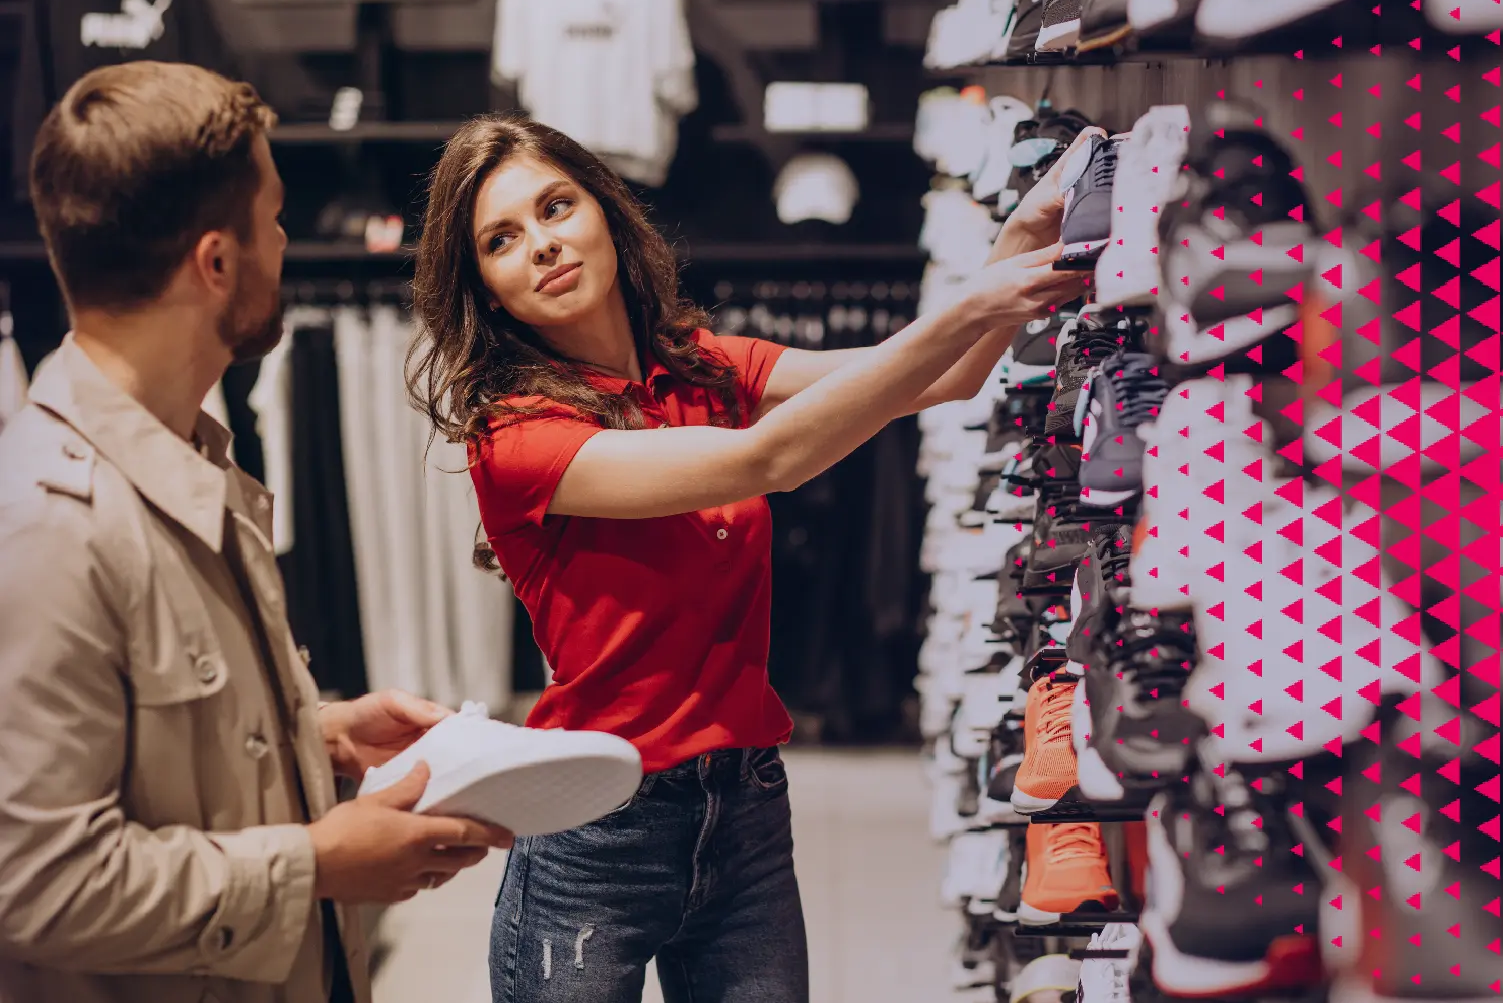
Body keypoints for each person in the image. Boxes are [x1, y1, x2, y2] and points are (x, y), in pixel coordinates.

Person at [409, 114, 1100, 1002]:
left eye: (555, 207)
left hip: (744, 810)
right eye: (501, 240)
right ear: (489, 292)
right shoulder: (514, 435)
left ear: (605, 211)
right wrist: (976, 303)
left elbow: (940, 377)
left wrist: (1015, 247)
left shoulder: (701, 366)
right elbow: (765, 459)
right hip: (594, 827)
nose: (541, 244)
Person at [0, 61, 513, 1003]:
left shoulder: (190, 454)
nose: (283, 241)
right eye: (273, 218)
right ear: (216, 263)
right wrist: (314, 863)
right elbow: (35, 881)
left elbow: (143, 746)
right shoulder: (46, 525)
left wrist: (313, 733)